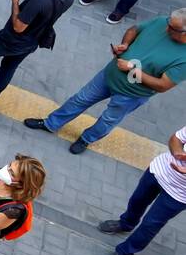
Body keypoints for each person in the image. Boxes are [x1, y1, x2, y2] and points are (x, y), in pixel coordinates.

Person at [24, 9, 186, 154]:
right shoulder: (162, 21)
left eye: (172, 28)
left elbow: (163, 85)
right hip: (110, 74)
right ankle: (50, 124)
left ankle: (86, 139)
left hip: (131, 94)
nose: (166, 28)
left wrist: (132, 69)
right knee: (80, 99)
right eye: (168, 23)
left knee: (108, 119)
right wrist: (125, 44)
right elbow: (134, 29)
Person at [98, 124, 186, 255]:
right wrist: (177, 153)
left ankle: (125, 252)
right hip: (159, 171)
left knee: (150, 224)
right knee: (137, 200)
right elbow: (176, 139)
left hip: (179, 195)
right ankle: (126, 223)